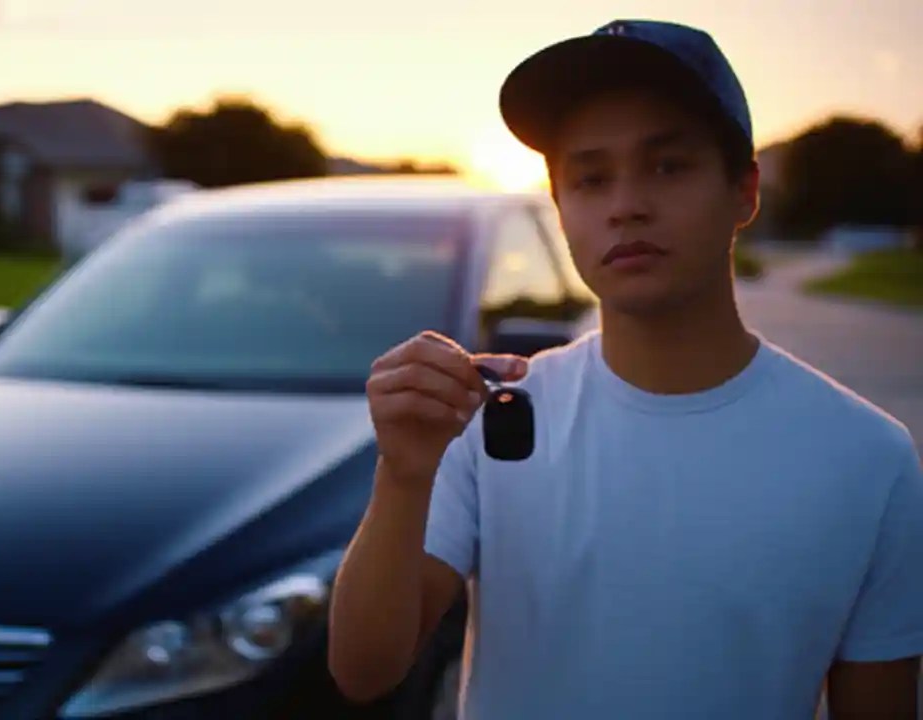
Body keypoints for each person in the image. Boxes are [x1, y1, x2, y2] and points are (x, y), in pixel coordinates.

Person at [328, 18, 923, 719]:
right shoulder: (495, 424)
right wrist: (402, 473)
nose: (626, 206)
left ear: (744, 191)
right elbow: (365, 670)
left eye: (668, 165)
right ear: (560, 208)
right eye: (590, 178)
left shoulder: (866, 458)